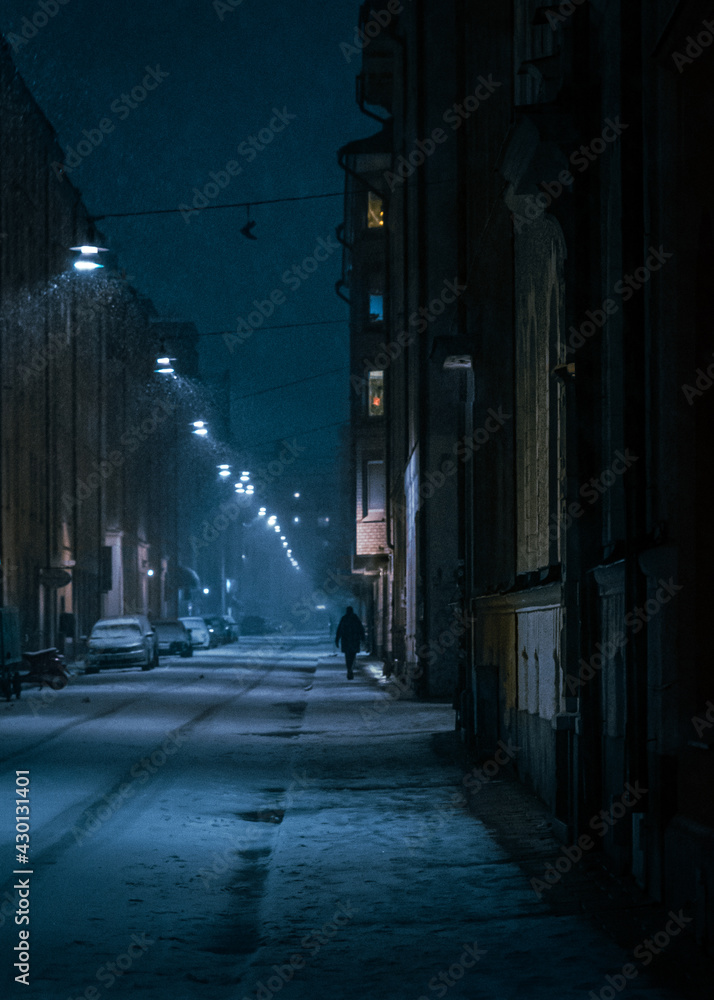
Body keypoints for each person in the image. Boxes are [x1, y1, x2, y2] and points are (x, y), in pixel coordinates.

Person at [335, 606, 365, 680]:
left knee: (347, 657)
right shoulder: (355, 618)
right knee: (353, 656)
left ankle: (349, 669)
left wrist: (337, 640)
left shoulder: (344, 618)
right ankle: (351, 668)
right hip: (354, 641)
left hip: (346, 641)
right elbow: (361, 629)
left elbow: (339, 630)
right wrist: (363, 639)